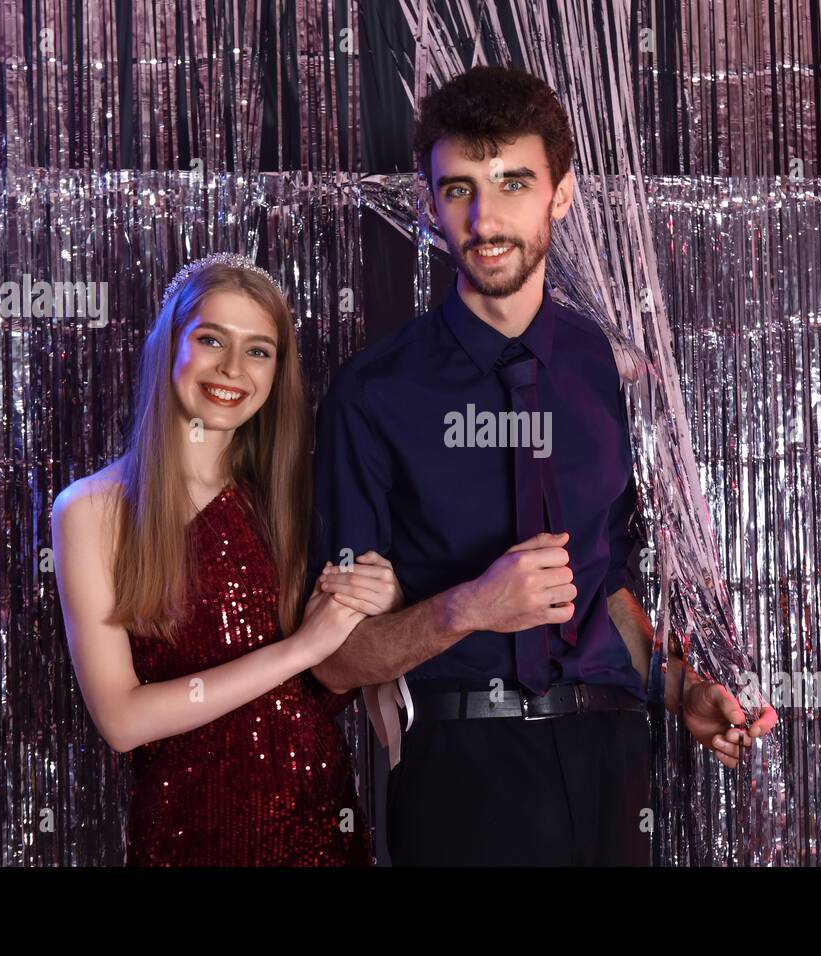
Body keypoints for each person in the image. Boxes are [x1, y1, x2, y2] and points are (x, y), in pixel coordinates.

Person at [308, 65, 778, 866]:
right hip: (463, 780)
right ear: (428, 203)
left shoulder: (599, 365)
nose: (485, 218)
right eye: (458, 188)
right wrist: (470, 608)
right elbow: (334, 661)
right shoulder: (372, 392)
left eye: (513, 183)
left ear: (561, 192)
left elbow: (610, 587)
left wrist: (681, 692)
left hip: (612, 768)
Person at [53, 254, 402, 866]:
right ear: (171, 347)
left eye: (258, 351)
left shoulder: (298, 500)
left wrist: (382, 603)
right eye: (211, 340)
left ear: (277, 373)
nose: (232, 369)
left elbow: (333, 680)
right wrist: (301, 648)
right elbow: (123, 720)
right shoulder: (91, 511)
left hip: (319, 831)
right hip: (187, 837)